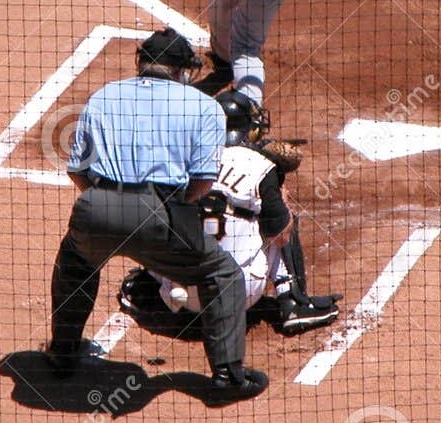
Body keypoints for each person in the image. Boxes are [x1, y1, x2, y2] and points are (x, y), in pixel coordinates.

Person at [47, 28, 268, 403]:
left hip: (96, 206)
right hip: (160, 212)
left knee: (75, 264)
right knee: (223, 274)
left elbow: (76, 169)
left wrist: (104, 204)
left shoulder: (104, 96)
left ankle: (63, 353)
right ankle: (229, 377)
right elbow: (203, 179)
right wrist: (170, 209)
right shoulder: (204, 107)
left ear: (142, 63)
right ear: (182, 70)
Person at [130, 90, 340, 334]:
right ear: (248, 128)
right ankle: (292, 303)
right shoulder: (260, 165)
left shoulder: (182, 158)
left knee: (163, 215)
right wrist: (279, 192)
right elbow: (281, 236)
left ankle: (144, 288)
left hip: (182, 295)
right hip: (239, 294)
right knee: (281, 221)